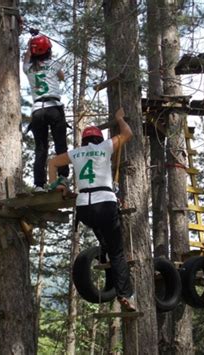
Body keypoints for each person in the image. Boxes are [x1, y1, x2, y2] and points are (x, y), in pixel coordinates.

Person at [47, 107, 136, 312]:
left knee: (105, 240)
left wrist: (57, 185)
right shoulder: (105, 147)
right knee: (117, 252)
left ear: (84, 141)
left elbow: (52, 162)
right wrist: (119, 118)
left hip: (84, 209)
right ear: (99, 138)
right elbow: (128, 134)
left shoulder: (76, 153)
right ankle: (124, 294)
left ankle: (108, 270)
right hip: (105, 202)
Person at [23, 31, 69, 192]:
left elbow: (27, 54)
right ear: (49, 51)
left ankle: (39, 185)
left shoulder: (28, 68)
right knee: (60, 145)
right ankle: (62, 178)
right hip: (54, 108)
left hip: (37, 111)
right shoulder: (54, 65)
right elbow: (62, 77)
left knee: (40, 149)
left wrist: (32, 41)